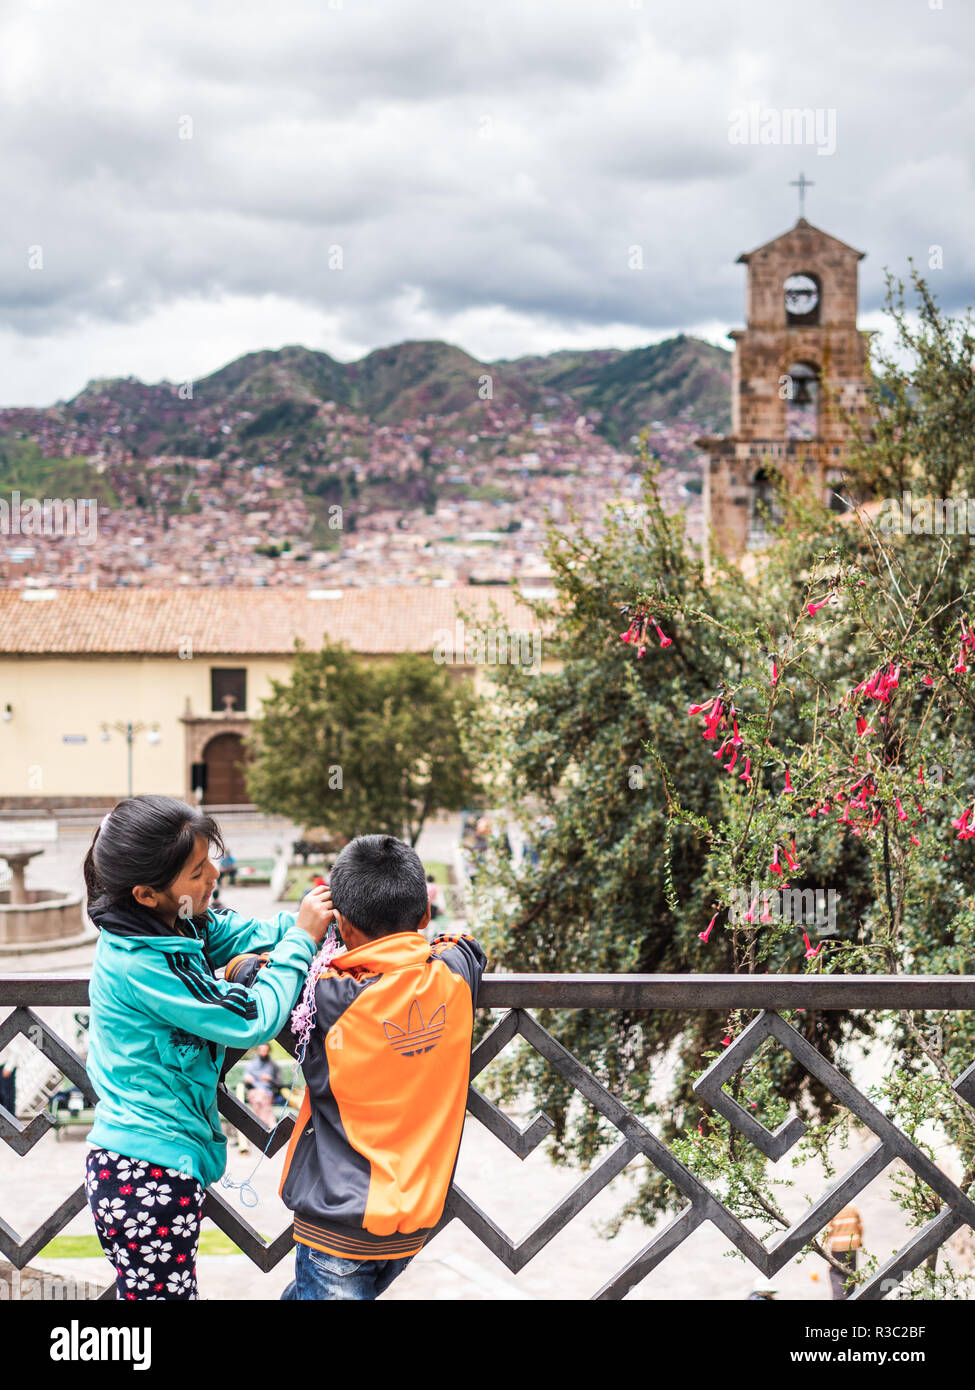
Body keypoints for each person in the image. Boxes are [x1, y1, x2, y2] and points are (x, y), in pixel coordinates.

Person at [82, 794, 333, 1301]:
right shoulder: (145, 963)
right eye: (198, 871)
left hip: (153, 1165)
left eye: (210, 857)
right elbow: (250, 1020)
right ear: (147, 894)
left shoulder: (176, 922)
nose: (214, 872)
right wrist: (302, 944)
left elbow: (252, 932)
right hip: (144, 1171)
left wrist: (317, 922)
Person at [273, 834, 486, 1300]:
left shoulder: (326, 998)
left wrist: (305, 936)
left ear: (341, 926)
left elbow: (258, 977)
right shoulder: (453, 976)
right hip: (414, 1219)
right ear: (424, 915)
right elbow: (464, 945)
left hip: (335, 1224)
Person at [826, 1205, 863, 1299]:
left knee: (835, 1272)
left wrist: (826, 1249)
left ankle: (840, 1297)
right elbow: (860, 1227)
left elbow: (828, 1231)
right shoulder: (853, 1209)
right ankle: (851, 1296)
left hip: (838, 1247)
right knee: (850, 1272)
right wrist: (859, 1241)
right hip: (853, 1245)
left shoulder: (834, 1210)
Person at [243, 1043, 280, 1128]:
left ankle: (259, 1127)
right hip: (254, 1092)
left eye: (265, 1051)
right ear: (258, 1051)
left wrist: (270, 1079)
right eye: (261, 1050)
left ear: (269, 1052)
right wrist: (248, 1080)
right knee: (259, 1097)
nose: (263, 1053)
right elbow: (246, 1083)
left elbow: (279, 1084)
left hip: (267, 1093)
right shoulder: (251, 1065)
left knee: (260, 1098)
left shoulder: (274, 1066)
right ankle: (271, 1124)